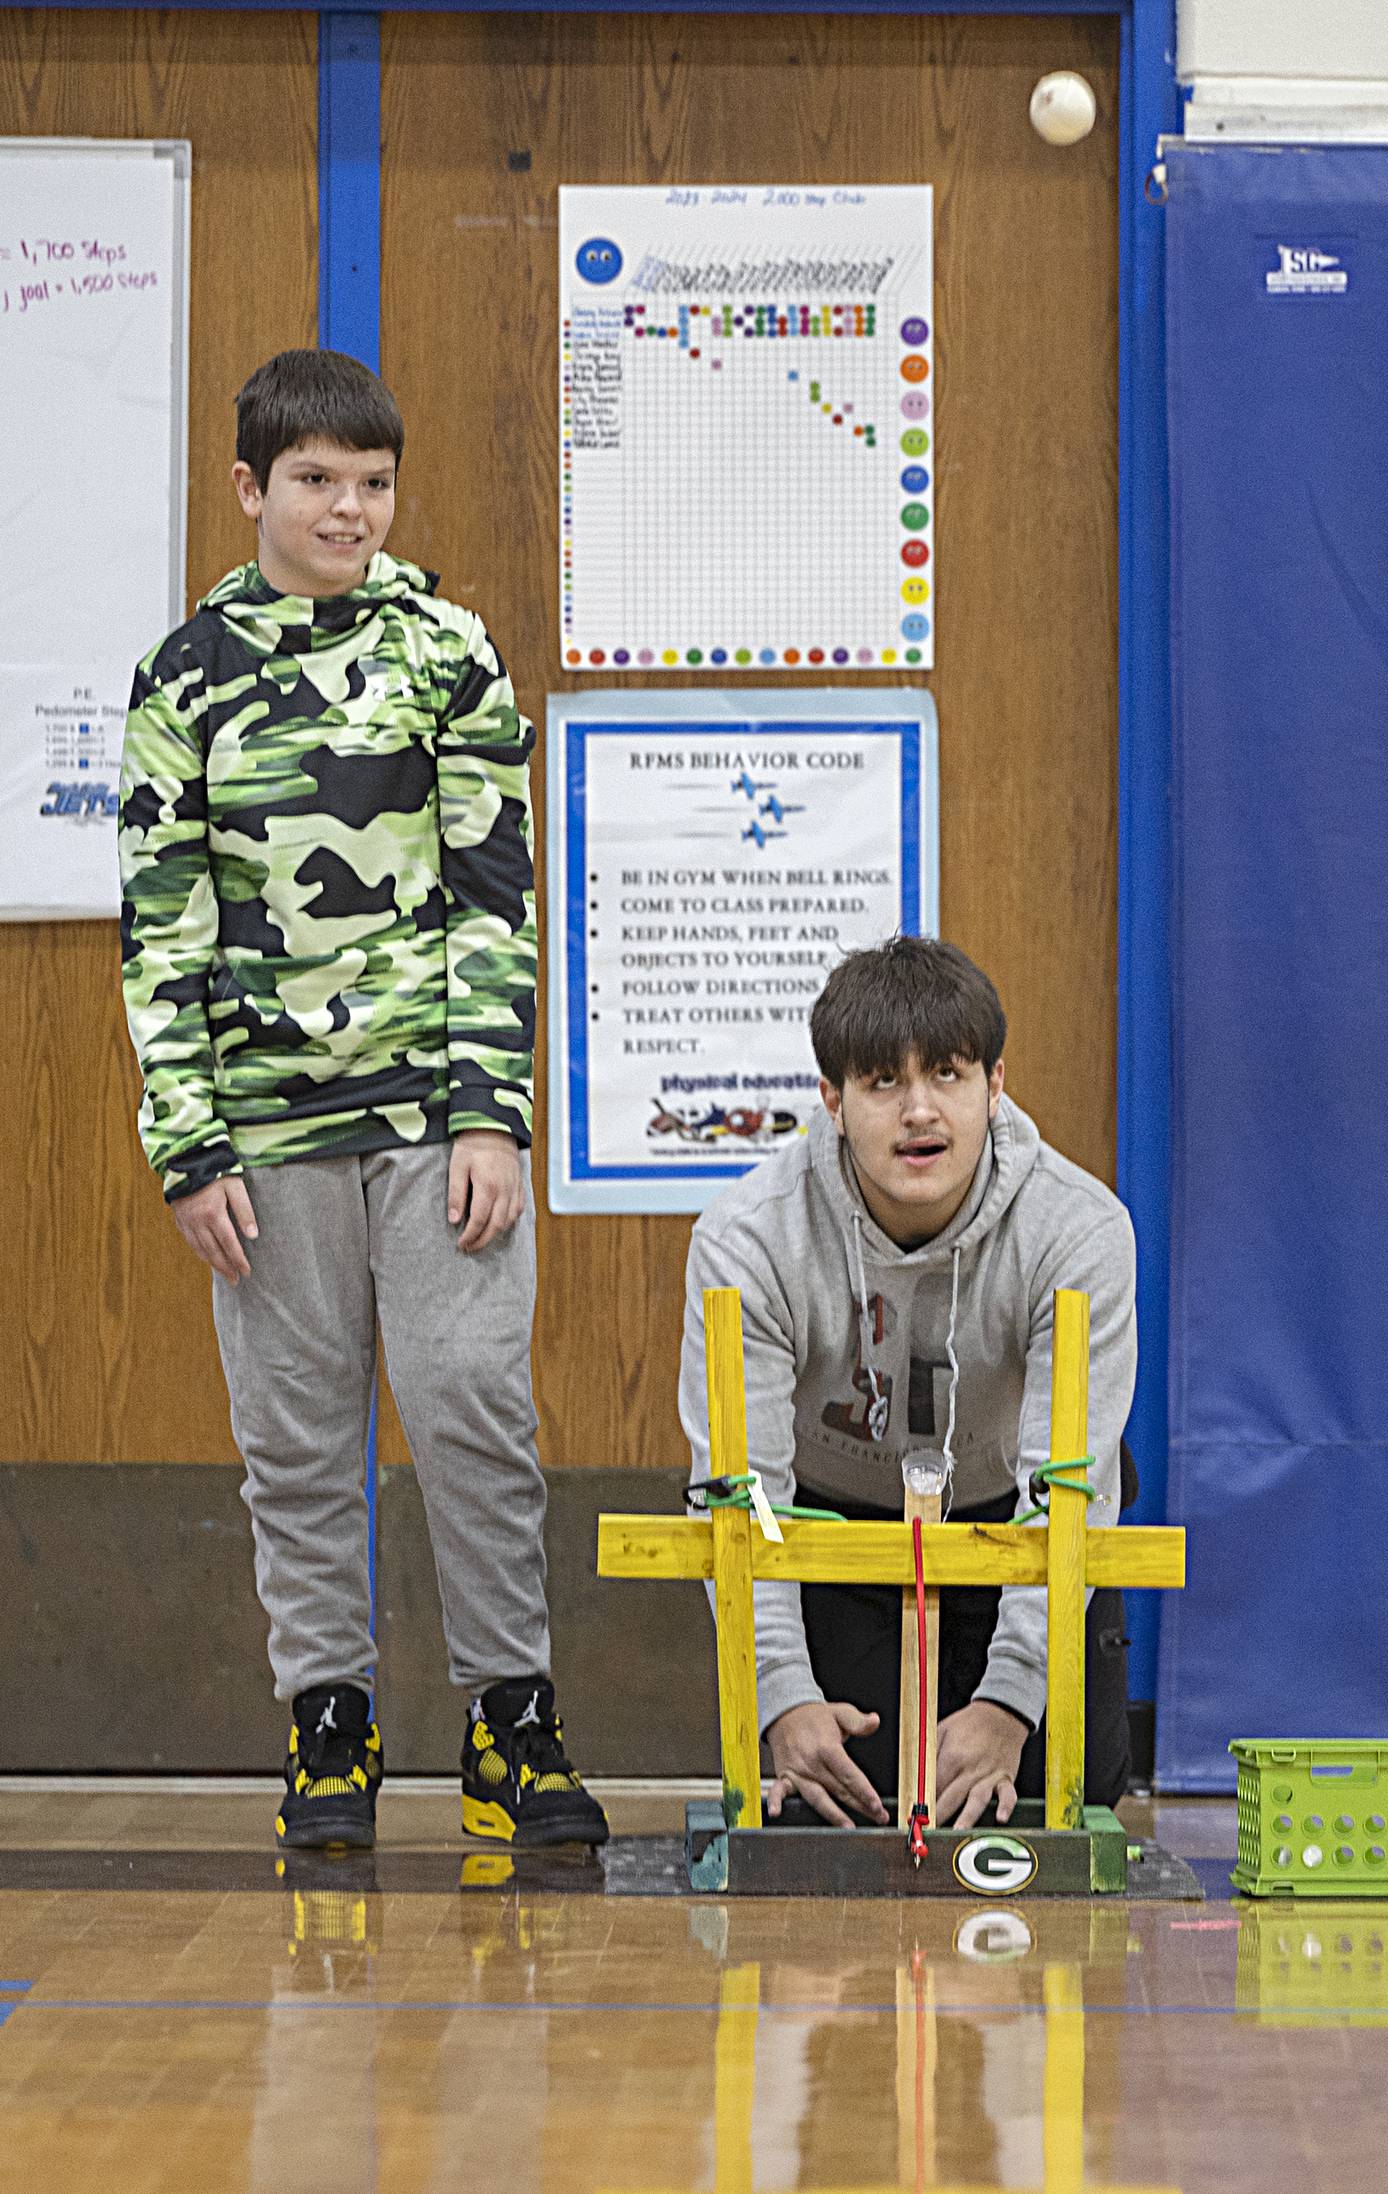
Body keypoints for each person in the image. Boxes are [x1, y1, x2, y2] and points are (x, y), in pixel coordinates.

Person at [117, 348, 606, 1851]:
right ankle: (327, 1718)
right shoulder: (185, 673)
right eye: (317, 481)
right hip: (264, 1134)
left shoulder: (449, 652)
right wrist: (188, 1145)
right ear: (253, 487)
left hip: (431, 1112)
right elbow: (162, 921)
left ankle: (510, 1720)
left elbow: (491, 895)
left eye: (374, 483)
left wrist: (492, 1110)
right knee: (297, 1430)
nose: (350, 509)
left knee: (471, 1406)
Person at [678, 935, 1135, 1830]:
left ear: (996, 1087)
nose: (920, 1111)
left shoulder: (1080, 1233)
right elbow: (741, 1493)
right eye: (883, 1081)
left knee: (1056, 1803)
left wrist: (1011, 1700)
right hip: (829, 1524)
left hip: (1014, 1517)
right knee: (843, 1804)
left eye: (950, 1077)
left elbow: (1070, 1485)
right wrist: (781, 1697)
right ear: (833, 1100)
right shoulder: (746, 1241)